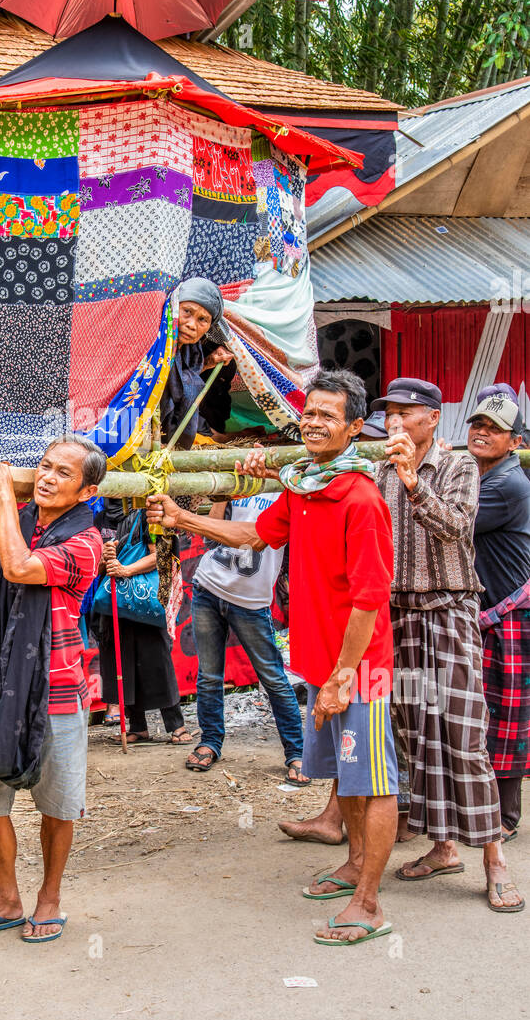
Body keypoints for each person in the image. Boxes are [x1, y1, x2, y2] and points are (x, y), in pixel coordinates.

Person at [148, 368, 399, 946]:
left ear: (355, 428)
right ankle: (356, 866)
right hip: (320, 661)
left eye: (326, 416)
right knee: (350, 778)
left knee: (376, 781)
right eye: (308, 413)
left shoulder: (360, 498)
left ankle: (370, 903)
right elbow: (256, 536)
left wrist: (341, 676)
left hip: (360, 668)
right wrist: (182, 519)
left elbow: (369, 601)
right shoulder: (305, 487)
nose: (313, 422)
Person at [374, 377, 523, 913]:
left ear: (432, 418)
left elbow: (456, 527)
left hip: (452, 612)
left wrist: (414, 482)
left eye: (406, 412)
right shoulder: (377, 469)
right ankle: (442, 847)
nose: (395, 420)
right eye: (389, 411)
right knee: (416, 733)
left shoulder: (458, 467)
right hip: (400, 616)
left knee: (462, 732)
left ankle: (495, 860)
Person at [0, 436, 105, 943]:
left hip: (57, 690)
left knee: (57, 804)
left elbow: (18, 568)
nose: (47, 478)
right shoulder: (3, 520)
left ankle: (50, 897)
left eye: (63, 473)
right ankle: (8, 897)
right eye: (43, 466)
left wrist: (6, 499)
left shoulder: (87, 542)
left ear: (87, 491)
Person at [181, 485, 307, 777]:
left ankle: (298, 752)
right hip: (209, 587)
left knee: (274, 678)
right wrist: (223, 495)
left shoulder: (289, 490)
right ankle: (210, 741)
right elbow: (212, 537)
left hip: (252, 602)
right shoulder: (238, 484)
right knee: (209, 675)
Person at [467, 392, 530, 845]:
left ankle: (505, 817)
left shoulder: (506, 484)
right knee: (490, 712)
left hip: (509, 611)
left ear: (515, 441)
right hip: (492, 609)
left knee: (506, 714)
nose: (482, 432)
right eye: (478, 424)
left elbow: (449, 522)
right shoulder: (484, 475)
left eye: (494, 428)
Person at [96, 504, 192, 745]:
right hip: (117, 602)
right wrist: (106, 556)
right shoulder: (105, 518)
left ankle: (176, 725)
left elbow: (162, 555)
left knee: (156, 659)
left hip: (145, 600)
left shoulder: (150, 514)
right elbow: (99, 565)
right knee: (122, 661)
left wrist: (126, 569)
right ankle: (137, 726)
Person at [160, 279, 234, 448]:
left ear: (209, 327)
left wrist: (208, 363)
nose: (192, 325)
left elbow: (181, 378)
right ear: (174, 307)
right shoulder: (156, 342)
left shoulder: (191, 352)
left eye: (203, 320)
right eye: (187, 311)